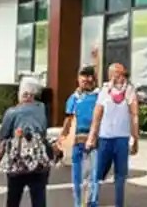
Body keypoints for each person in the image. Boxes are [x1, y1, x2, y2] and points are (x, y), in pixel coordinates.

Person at [0, 76, 54, 207]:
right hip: (38, 163)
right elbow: (43, 132)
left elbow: (3, 139)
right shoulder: (41, 108)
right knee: (39, 199)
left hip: (17, 163)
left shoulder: (12, 113)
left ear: (22, 93)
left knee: (13, 199)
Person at [85, 63, 140, 207]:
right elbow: (97, 117)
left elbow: (134, 116)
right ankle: (92, 202)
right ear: (110, 75)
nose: (121, 77)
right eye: (117, 73)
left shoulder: (129, 91)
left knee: (120, 176)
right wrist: (91, 137)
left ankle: (119, 204)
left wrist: (135, 138)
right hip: (105, 138)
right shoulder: (104, 91)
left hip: (122, 139)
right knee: (98, 173)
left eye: (123, 74)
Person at [59, 65, 99, 207]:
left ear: (94, 79)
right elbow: (68, 119)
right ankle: (78, 203)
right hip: (77, 142)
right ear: (78, 78)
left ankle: (92, 203)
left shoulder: (99, 96)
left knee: (94, 175)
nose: (86, 79)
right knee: (77, 177)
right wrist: (62, 137)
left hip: (95, 142)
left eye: (89, 76)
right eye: (83, 76)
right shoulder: (74, 98)